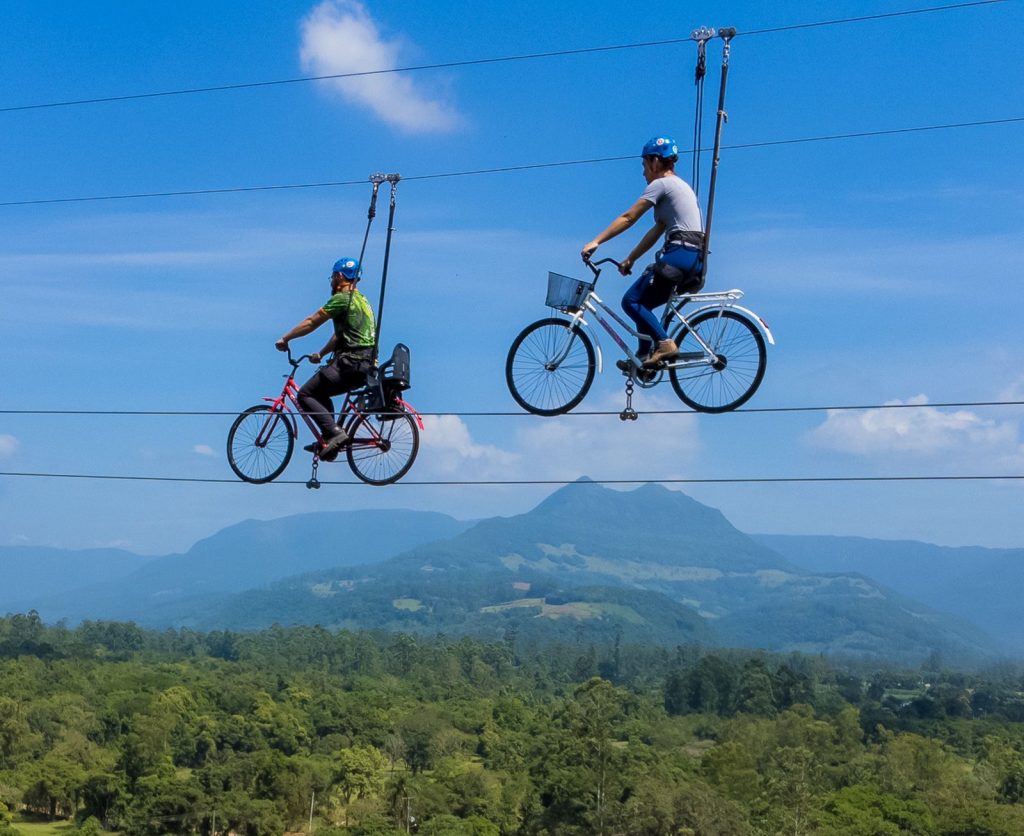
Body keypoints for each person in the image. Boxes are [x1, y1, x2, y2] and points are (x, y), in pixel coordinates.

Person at [581, 136, 704, 369]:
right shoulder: (679, 186)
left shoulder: (661, 184)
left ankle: (666, 343)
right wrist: (631, 259)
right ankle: (645, 357)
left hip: (679, 253)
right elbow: (656, 231)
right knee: (643, 301)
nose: (643, 172)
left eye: (643, 165)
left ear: (654, 161)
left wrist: (596, 241)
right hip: (693, 258)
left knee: (630, 301)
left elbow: (629, 217)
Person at [275, 257, 376, 460]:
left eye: (332, 276)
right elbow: (340, 335)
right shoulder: (362, 300)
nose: (332, 281)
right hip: (366, 365)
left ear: (339, 276)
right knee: (321, 393)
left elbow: (312, 321)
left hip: (350, 363)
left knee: (305, 394)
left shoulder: (341, 299)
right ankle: (330, 438)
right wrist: (321, 353)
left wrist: (286, 338)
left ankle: (336, 434)